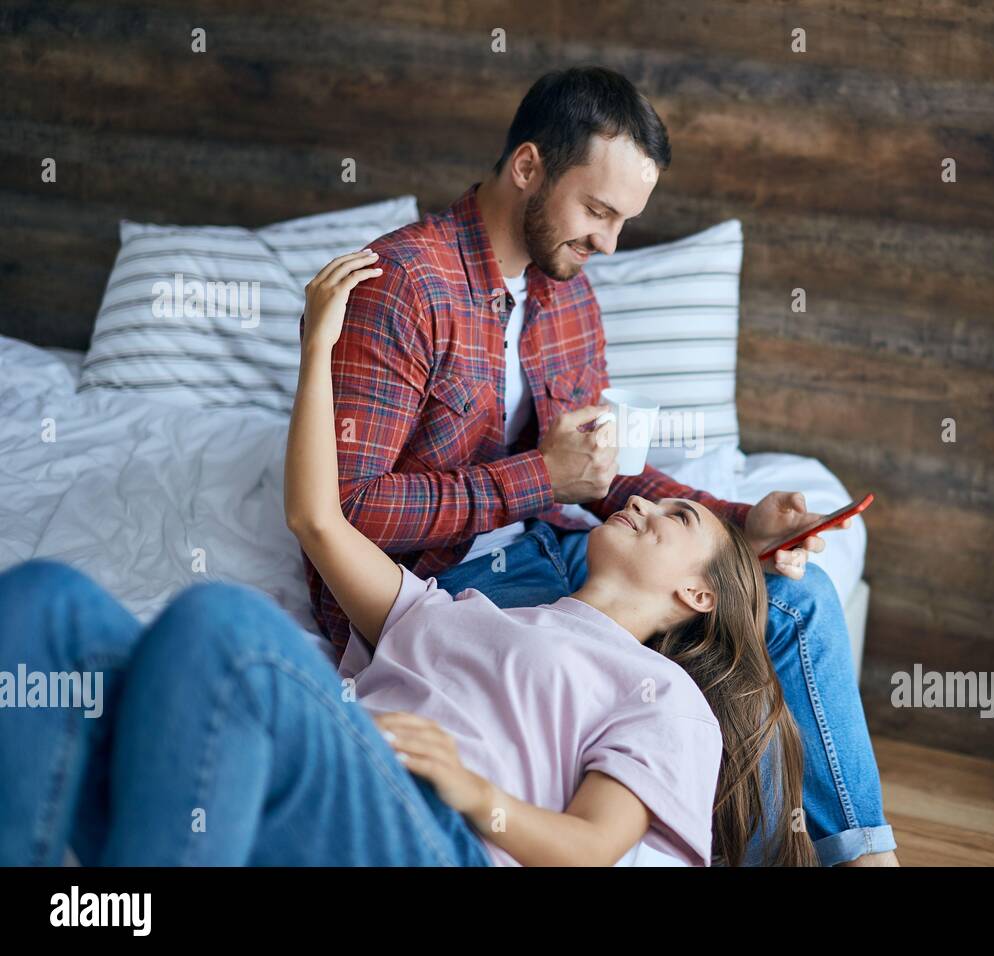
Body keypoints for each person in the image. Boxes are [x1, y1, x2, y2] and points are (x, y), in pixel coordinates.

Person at [0, 253, 815, 867]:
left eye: (674, 515)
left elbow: (593, 848)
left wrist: (475, 794)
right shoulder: (454, 610)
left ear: (697, 594)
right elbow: (317, 519)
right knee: (43, 606)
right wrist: (317, 345)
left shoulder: (662, 694)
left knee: (227, 629)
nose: (638, 501)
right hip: (314, 778)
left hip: (434, 835)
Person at [300, 64, 897, 866]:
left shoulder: (567, 289)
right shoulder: (403, 286)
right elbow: (350, 509)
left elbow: (599, 468)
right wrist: (539, 481)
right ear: (528, 168)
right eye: (599, 211)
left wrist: (734, 520)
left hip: (561, 542)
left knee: (791, 595)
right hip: (450, 586)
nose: (609, 243)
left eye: (623, 221)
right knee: (740, 651)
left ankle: (863, 858)